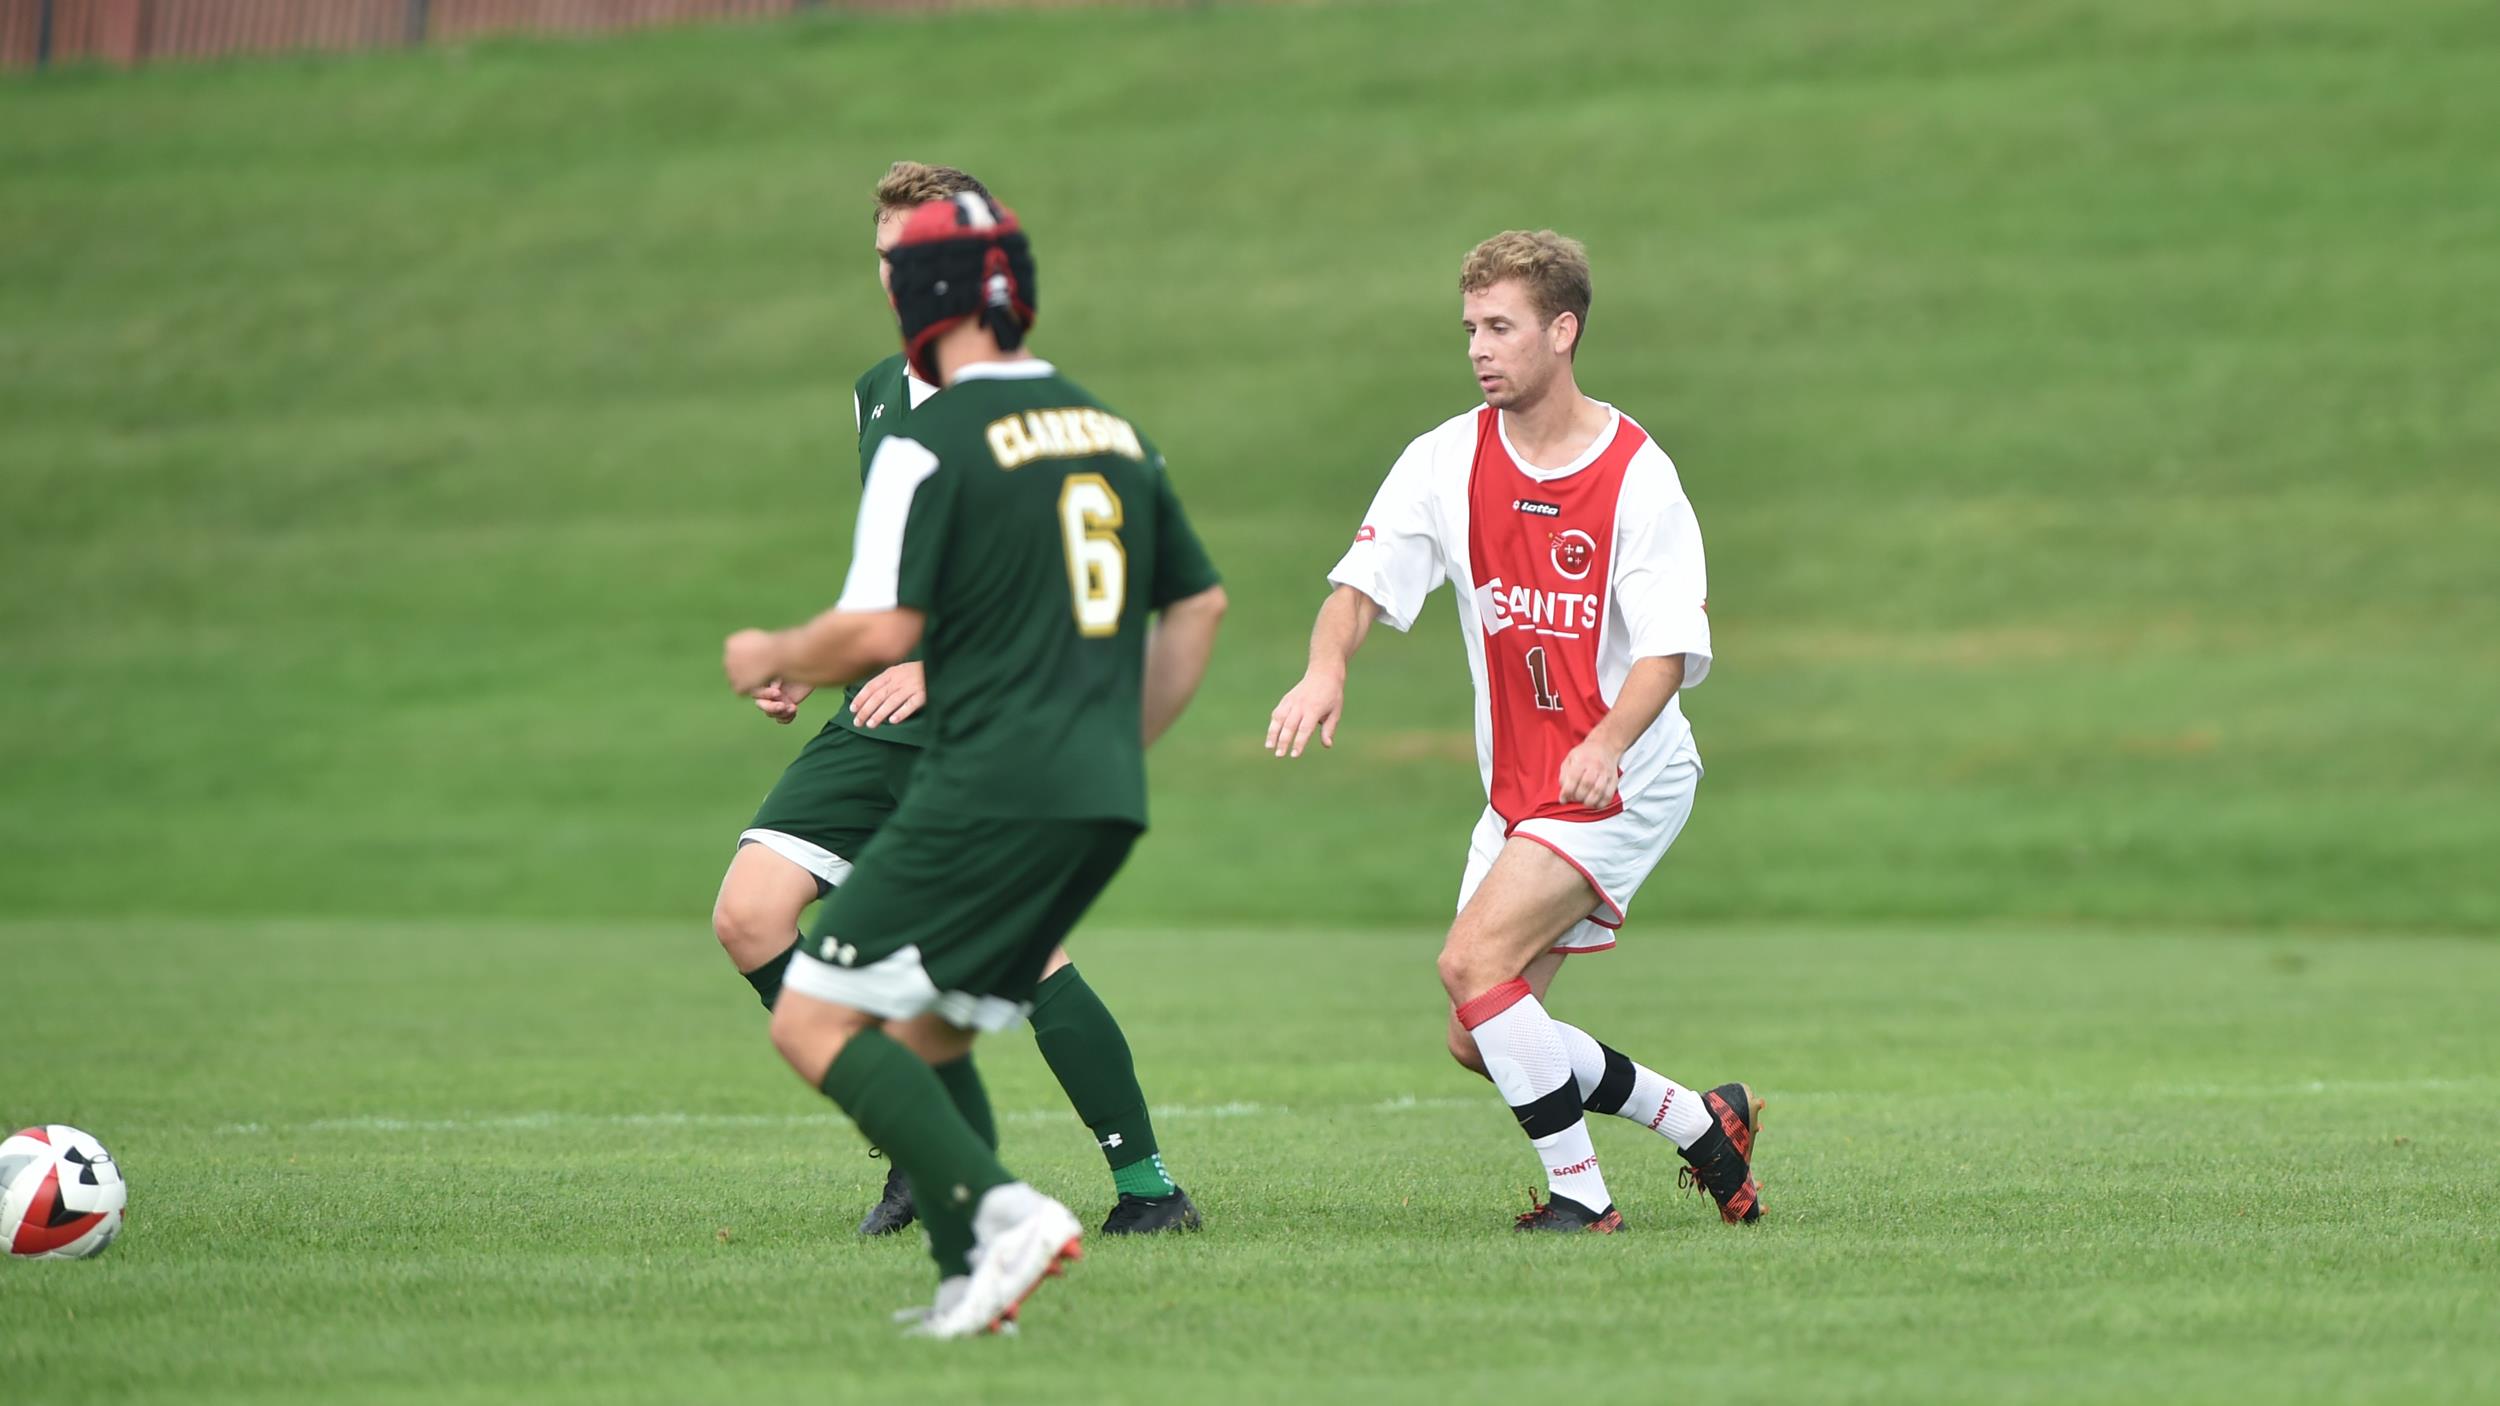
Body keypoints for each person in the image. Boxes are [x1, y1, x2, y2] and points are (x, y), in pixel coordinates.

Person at [723, 191, 1227, 1335]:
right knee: (904, 1001)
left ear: (936, 291)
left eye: (906, 265)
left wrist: (776, 650)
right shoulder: (1102, 425)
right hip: (1077, 772)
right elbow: (1198, 600)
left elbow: (891, 621)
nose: (891, 280)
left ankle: (1018, 1209)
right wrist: (1118, 737)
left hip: (974, 753)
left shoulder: (934, 434)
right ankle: (968, 1257)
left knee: (820, 1015)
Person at [1266, 230, 1762, 1232]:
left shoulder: (1636, 475)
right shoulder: (1443, 460)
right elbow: (1356, 589)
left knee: (1469, 965)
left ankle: (1585, 1199)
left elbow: (1667, 649)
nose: (1478, 349)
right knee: (1475, 1030)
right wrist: (1327, 664)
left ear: (1563, 331)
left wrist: (1607, 740)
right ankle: (1698, 1122)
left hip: (1623, 776)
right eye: (1469, 329)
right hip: (1522, 787)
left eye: (1501, 327)